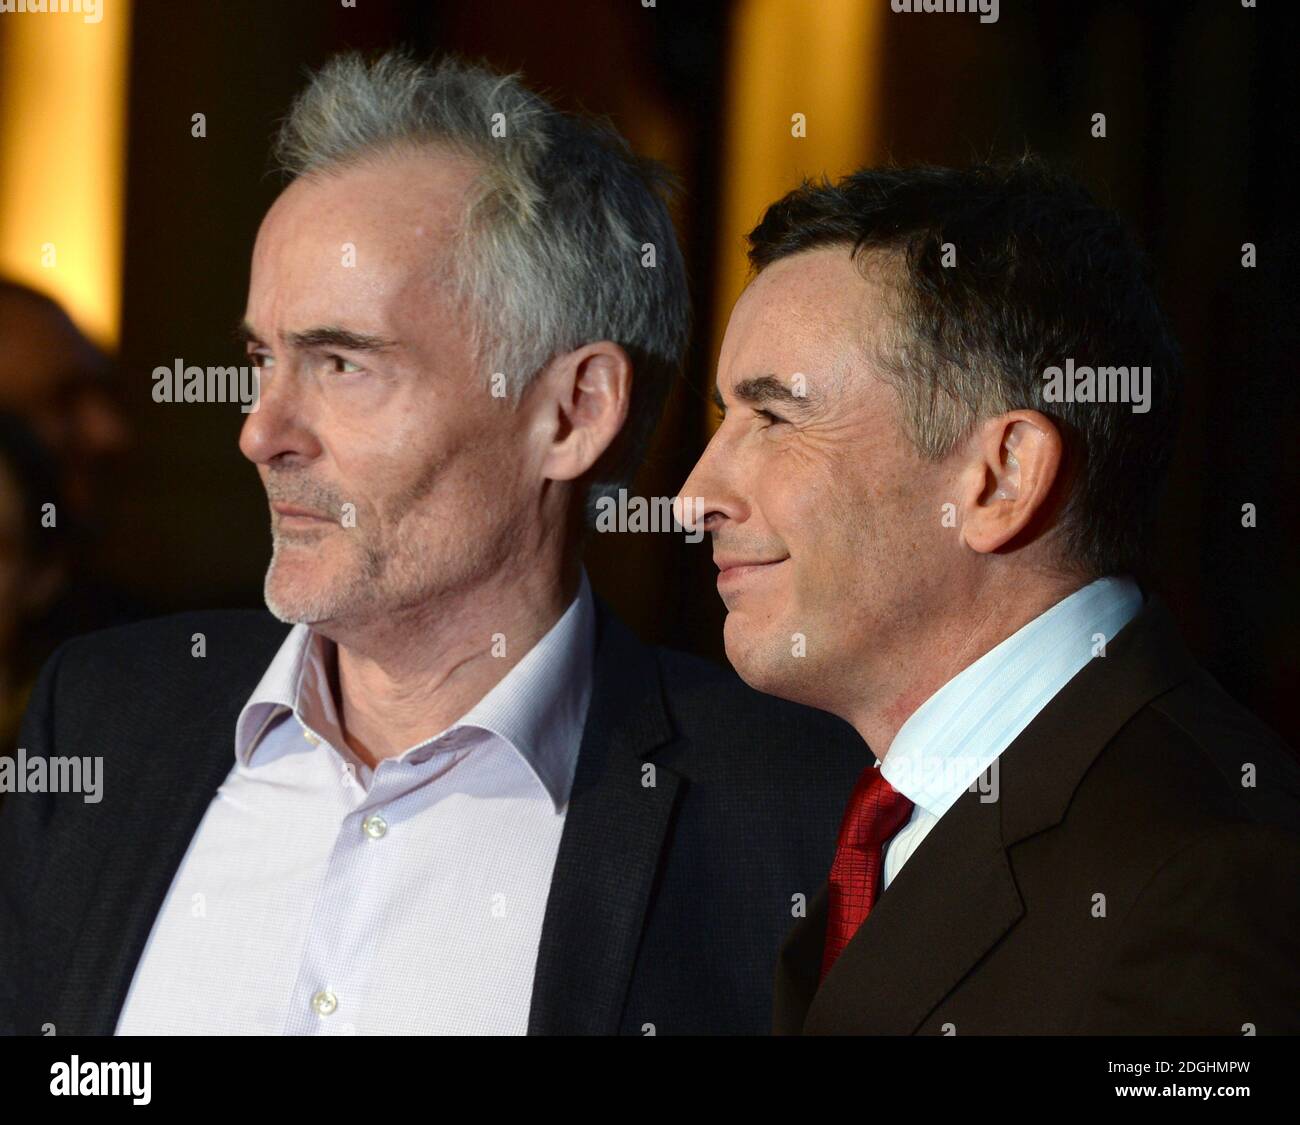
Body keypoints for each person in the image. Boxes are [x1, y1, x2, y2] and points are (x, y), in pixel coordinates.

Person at [0, 51, 866, 1037]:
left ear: (572, 412)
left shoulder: (792, 811)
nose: (259, 429)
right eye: (262, 358)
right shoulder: (105, 718)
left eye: (339, 362)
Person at [679, 157, 1300, 1034]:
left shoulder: (1219, 880)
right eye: (724, 421)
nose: (693, 496)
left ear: (1001, 477)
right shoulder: (881, 816)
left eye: (775, 417)